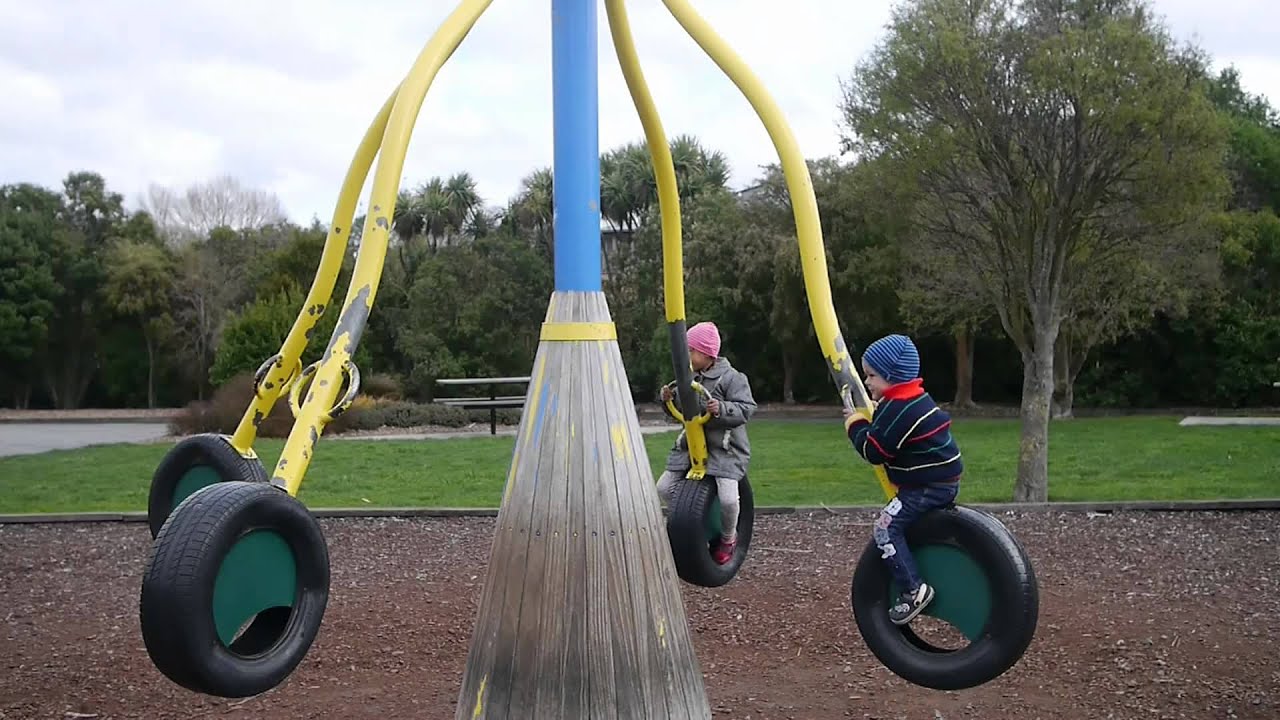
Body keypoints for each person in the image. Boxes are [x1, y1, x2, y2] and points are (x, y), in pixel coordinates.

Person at [842, 334, 963, 625]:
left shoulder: (899, 408)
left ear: (893, 376)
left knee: (885, 528)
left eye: (872, 376)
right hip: (942, 480)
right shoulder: (912, 399)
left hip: (926, 487)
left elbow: (875, 451)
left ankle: (914, 589)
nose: (867, 382)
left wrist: (854, 424)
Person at [656, 321, 757, 565]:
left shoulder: (732, 378)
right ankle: (698, 519)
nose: (687, 356)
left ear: (707, 353)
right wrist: (668, 400)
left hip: (724, 449)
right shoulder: (687, 378)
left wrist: (722, 408)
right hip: (691, 447)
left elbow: (747, 409)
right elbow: (681, 410)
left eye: (691, 351)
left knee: (729, 499)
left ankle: (728, 537)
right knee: (663, 488)